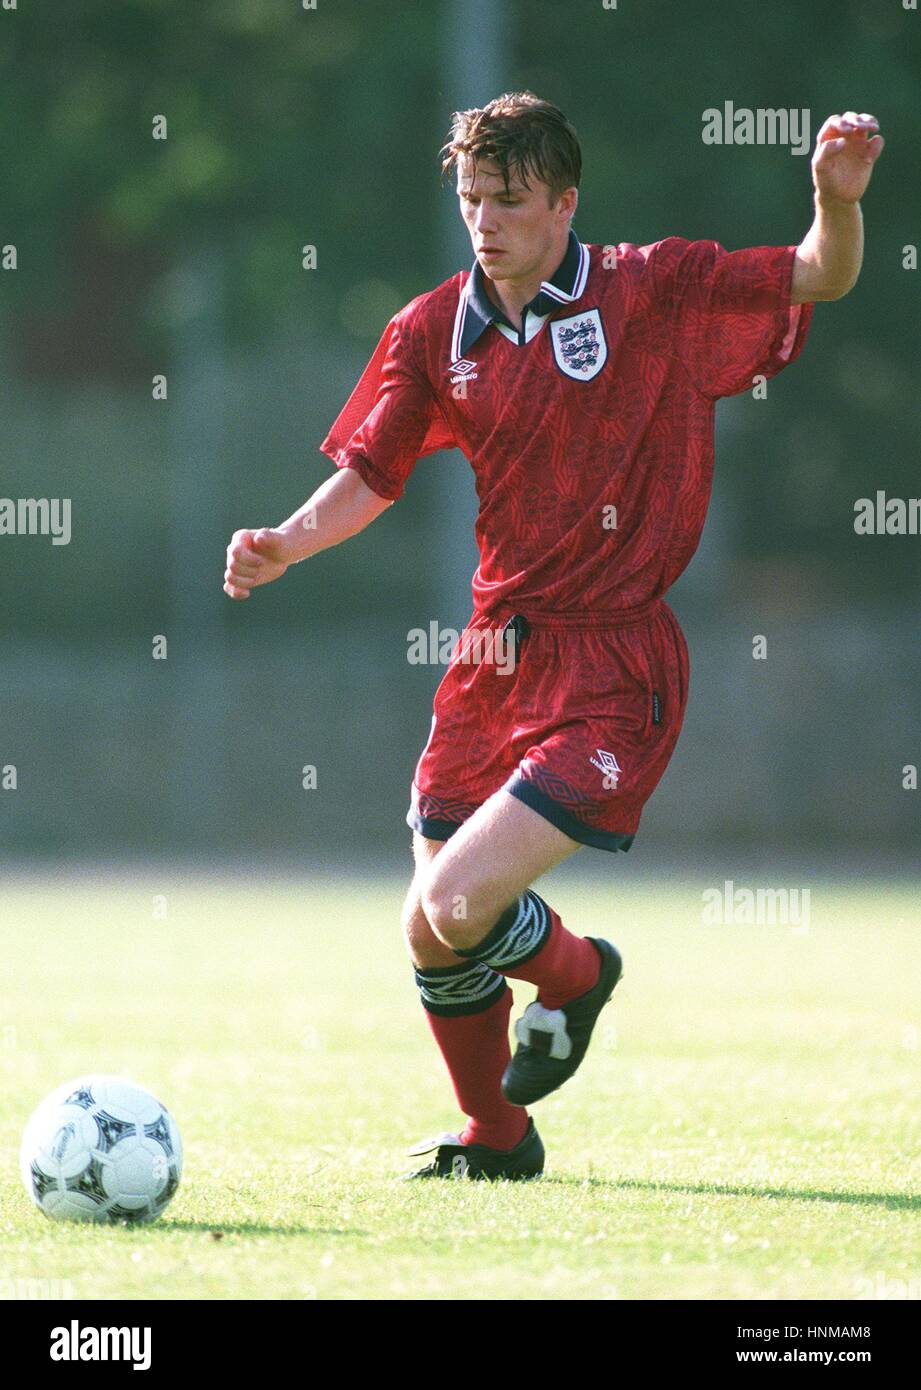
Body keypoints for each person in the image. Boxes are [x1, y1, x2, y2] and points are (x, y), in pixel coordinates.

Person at [223, 93, 883, 1180]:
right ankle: (499, 1135)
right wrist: (286, 543)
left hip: (614, 659)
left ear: (565, 203)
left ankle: (577, 978)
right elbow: (371, 472)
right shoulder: (435, 329)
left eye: (511, 199)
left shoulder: (653, 288)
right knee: (432, 931)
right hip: (491, 655)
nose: (485, 220)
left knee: (458, 901)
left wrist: (833, 198)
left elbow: (823, 273)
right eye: (472, 197)